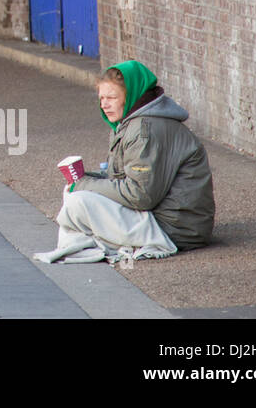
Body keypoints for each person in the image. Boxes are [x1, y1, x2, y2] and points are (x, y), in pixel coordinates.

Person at [34, 60, 215, 265]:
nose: (104, 104)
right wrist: (86, 178)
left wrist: (85, 184)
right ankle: (83, 243)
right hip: (163, 218)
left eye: (111, 97)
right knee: (72, 191)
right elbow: (123, 177)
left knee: (79, 202)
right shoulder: (131, 122)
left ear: (131, 96)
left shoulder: (144, 130)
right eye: (101, 98)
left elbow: (141, 195)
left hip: (176, 229)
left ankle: (81, 245)